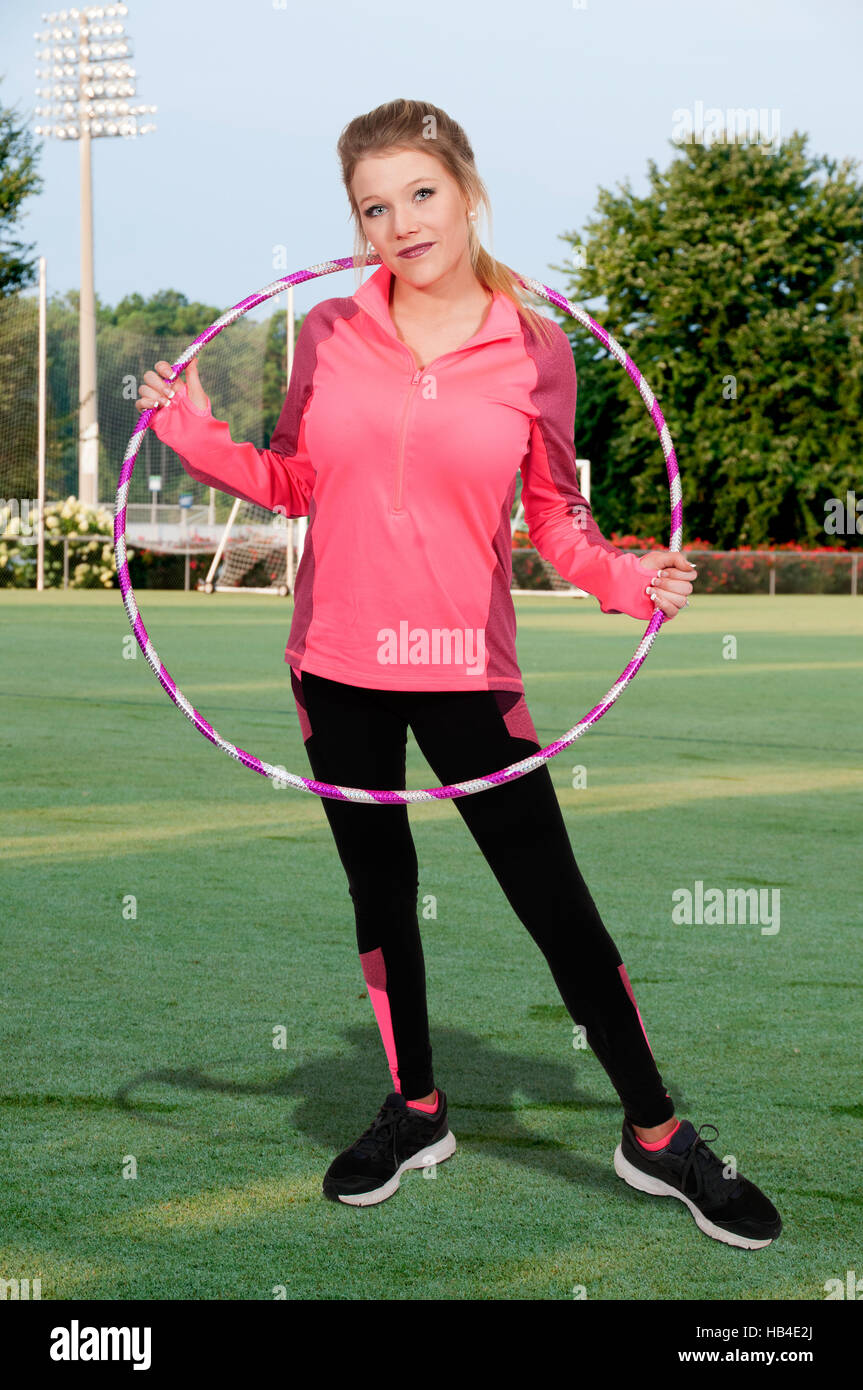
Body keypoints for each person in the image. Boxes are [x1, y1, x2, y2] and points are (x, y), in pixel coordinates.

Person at [137, 98, 781, 1249]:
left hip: (461, 667)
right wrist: (191, 435)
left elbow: (557, 520)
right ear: (357, 224)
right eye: (372, 206)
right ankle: (416, 1107)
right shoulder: (328, 330)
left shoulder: (534, 347)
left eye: (418, 193)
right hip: (333, 665)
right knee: (379, 898)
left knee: (555, 907)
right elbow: (295, 481)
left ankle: (653, 1134)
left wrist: (632, 583)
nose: (399, 222)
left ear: (468, 191)